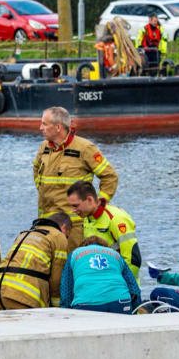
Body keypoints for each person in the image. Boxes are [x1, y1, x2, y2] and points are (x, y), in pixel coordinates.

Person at [33, 106, 118, 254]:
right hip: (46, 224)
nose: (41, 128)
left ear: (58, 127)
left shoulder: (84, 148)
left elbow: (110, 176)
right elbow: (36, 170)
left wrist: (99, 205)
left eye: (45, 124)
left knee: (73, 267)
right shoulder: (44, 147)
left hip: (74, 227)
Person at [0, 213, 72, 310]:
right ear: (64, 227)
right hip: (23, 298)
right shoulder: (58, 236)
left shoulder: (25, 234)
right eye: (67, 235)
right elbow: (56, 280)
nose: (66, 238)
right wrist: (58, 308)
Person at [66, 181, 141, 280]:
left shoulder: (116, 218)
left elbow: (133, 260)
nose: (73, 210)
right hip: (100, 283)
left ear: (89, 199)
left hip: (120, 286)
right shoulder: (87, 218)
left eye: (76, 206)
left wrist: (122, 284)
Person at [60, 237, 141, 314]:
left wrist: (66, 312)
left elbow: (66, 289)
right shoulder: (116, 254)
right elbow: (134, 288)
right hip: (120, 302)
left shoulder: (74, 254)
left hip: (86, 304)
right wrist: (132, 310)